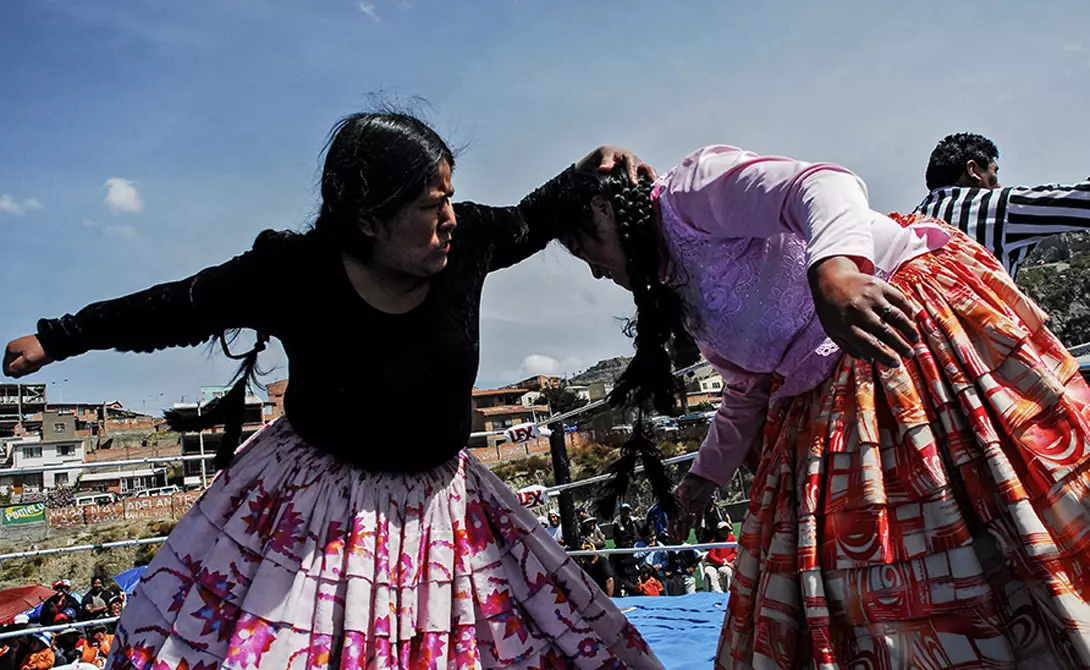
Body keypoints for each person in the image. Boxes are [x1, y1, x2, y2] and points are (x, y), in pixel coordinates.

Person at [2, 112, 662, 669]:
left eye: (451, 198)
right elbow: (176, 305)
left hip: (443, 501)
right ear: (369, 222)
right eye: (432, 208)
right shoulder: (295, 272)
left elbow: (531, 217)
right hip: (317, 502)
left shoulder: (471, 242)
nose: (452, 219)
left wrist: (586, 172)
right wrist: (59, 339)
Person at [561, 144, 1090, 667]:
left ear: (605, 211)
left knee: (995, 512)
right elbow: (748, 387)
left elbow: (823, 183)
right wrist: (703, 479)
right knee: (858, 568)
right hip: (823, 389)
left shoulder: (689, 193)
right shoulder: (681, 290)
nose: (595, 274)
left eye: (587, 251)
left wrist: (835, 273)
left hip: (899, 328)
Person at [915, 132, 1090, 276]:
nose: (998, 186)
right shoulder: (995, 206)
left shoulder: (910, 222)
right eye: (994, 174)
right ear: (973, 170)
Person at [702, 521, 737, 594]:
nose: (724, 532)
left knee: (727, 572)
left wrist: (726, 561)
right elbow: (711, 556)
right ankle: (717, 593)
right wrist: (722, 562)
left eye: (726, 529)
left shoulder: (732, 538)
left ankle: (728, 592)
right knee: (710, 572)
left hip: (726, 564)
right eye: (722, 530)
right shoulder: (714, 541)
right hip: (713, 564)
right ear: (718, 531)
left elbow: (735, 552)